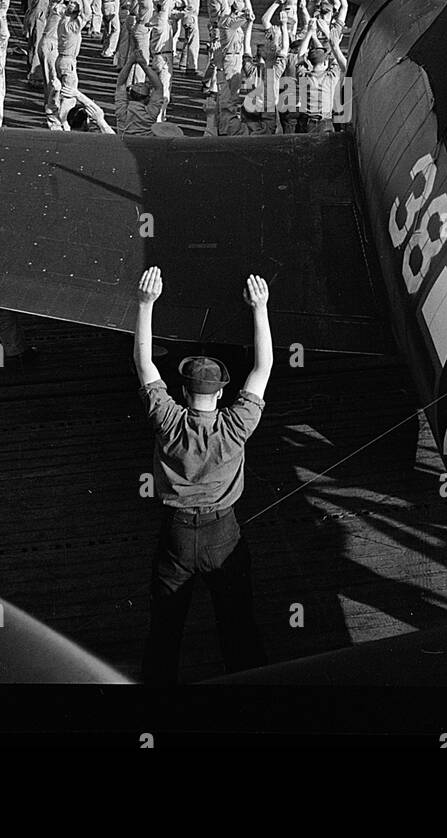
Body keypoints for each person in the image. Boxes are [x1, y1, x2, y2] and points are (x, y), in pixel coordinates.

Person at [134, 265, 272, 685]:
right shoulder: (236, 426)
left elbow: (142, 363)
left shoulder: (169, 421)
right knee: (238, 626)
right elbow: (263, 367)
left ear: (182, 391)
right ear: (222, 392)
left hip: (176, 535)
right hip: (224, 533)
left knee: (165, 628)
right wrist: (260, 308)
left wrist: (146, 304)